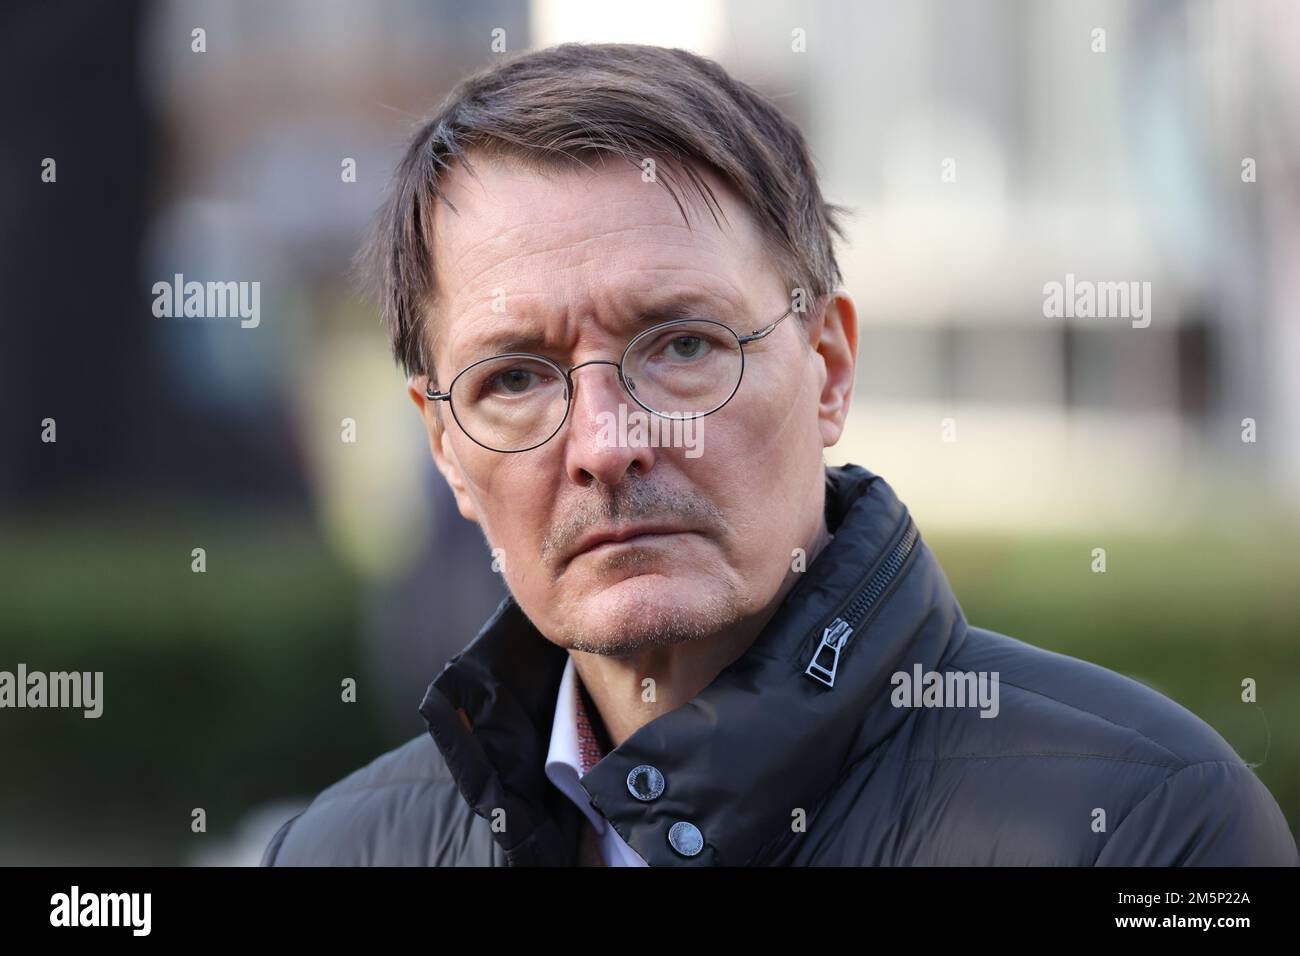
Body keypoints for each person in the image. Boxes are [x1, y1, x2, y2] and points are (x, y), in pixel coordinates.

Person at [262, 42, 1298, 866]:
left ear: (829, 366)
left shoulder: (1143, 826)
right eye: (515, 377)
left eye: (681, 346)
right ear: (444, 445)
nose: (609, 443)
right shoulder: (340, 849)